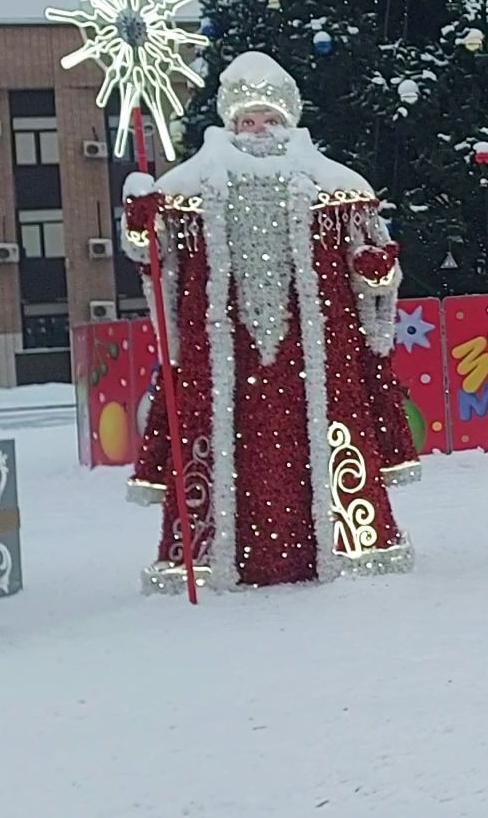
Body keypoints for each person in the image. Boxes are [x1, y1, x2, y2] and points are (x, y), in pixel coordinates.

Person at [119, 52, 416, 594]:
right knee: (224, 450)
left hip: (316, 358)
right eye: (248, 120)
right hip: (222, 360)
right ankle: (213, 556)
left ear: (289, 122)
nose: (258, 131)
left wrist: (374, 271)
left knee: (324, 441)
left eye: (270, 120)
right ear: (230, 124)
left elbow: (372, 268)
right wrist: (140, 223)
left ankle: (347, 544)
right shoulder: (185, 192)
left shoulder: (337, 188)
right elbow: (154, 261)